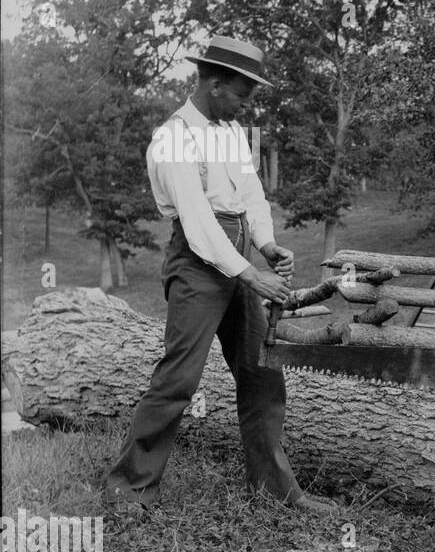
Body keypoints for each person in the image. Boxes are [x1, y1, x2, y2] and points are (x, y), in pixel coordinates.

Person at [103, 35, 336, 514]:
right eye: (240, 95)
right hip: (196, 262)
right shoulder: (172, 138)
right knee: (179, 379)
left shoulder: (230, 131)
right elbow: (198, 222)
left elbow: (250, 193)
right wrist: (253, 275)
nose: (244, 106)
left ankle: (275, 490)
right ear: (213, 84)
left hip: (241, 255)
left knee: (261, 374)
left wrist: (267, 242)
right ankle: (128, 490)